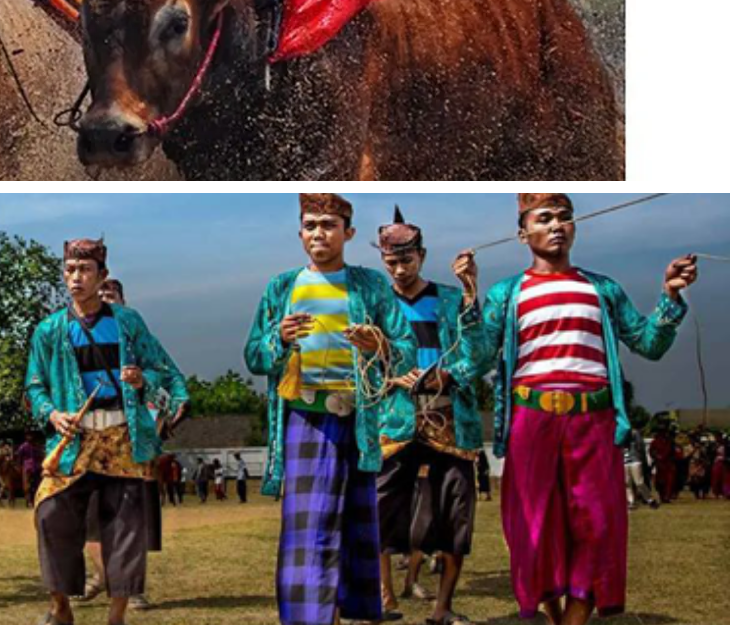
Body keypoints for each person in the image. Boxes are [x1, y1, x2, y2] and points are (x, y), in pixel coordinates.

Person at [478, 193, 697, 624]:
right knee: (533, 524)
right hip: (531, 417)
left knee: (597, 524)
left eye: (565, 217)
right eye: (545, 218)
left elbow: (649, 344)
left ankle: (577, 617)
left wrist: (670, 295)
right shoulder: (508, 292)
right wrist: (469, 299)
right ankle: (552, 615)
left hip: (594, 418)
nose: (558, 225)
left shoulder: (602, 288)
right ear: (523, 233)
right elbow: (480, 357)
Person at [245, 193, 416, 625]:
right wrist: (278, 340)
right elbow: (253, 356)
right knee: (310, 527)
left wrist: (379, 344)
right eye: (310, 225)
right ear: (300, 233)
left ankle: (349, 613)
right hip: (306, 417)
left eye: (328, 224)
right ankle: (309, 622)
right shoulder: (282, 287)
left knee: (356, 522)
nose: (318, 232)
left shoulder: (370, 285)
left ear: (349, 233)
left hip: (358, 418)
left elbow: (407, 350)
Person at [26, 238, 187, 625]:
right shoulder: (49, 330)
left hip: (121, 436)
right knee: (49, 513)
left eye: (84, 270)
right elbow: (35, 385)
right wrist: (51, 414)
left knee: (126, 528)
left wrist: (140, 379)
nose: (76, 277)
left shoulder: (128, 323)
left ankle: (116, 618)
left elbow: (163, 370)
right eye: (69, 270)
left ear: (102, 276)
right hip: (73, 441)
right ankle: (60, 604)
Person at [374, 207, 488, 625]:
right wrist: (387, 376)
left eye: (407, 260)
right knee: (379, 510)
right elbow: (362, 364)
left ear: (422, 255)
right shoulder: (375, 304)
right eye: (391, 262)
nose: (400, 269)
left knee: (455, 513)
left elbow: (477, 354)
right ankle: (385, 597)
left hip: (448, 417)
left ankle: (442, 607)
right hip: (395, 416)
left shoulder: (453, 299)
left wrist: (472, 288)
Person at [78, 276, 188, 613]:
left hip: (133, 442)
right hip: (88, 440)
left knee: (131, 523)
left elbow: (169, 374)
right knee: (91, 519)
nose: (105, 297)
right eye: (102, 292)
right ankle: (102, 577)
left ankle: (130, 587)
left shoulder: (137, 335)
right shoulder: (72, 333)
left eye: (112, 294)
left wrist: (172, 401)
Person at [623, 428, 658, 510]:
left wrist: (642, 459)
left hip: (635, 460)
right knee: (627, 483)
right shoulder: (616, 433)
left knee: (639, 482)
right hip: (624, 461)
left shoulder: (634, 433)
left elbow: (640, 447)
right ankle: (631, 502)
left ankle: (650, 500)